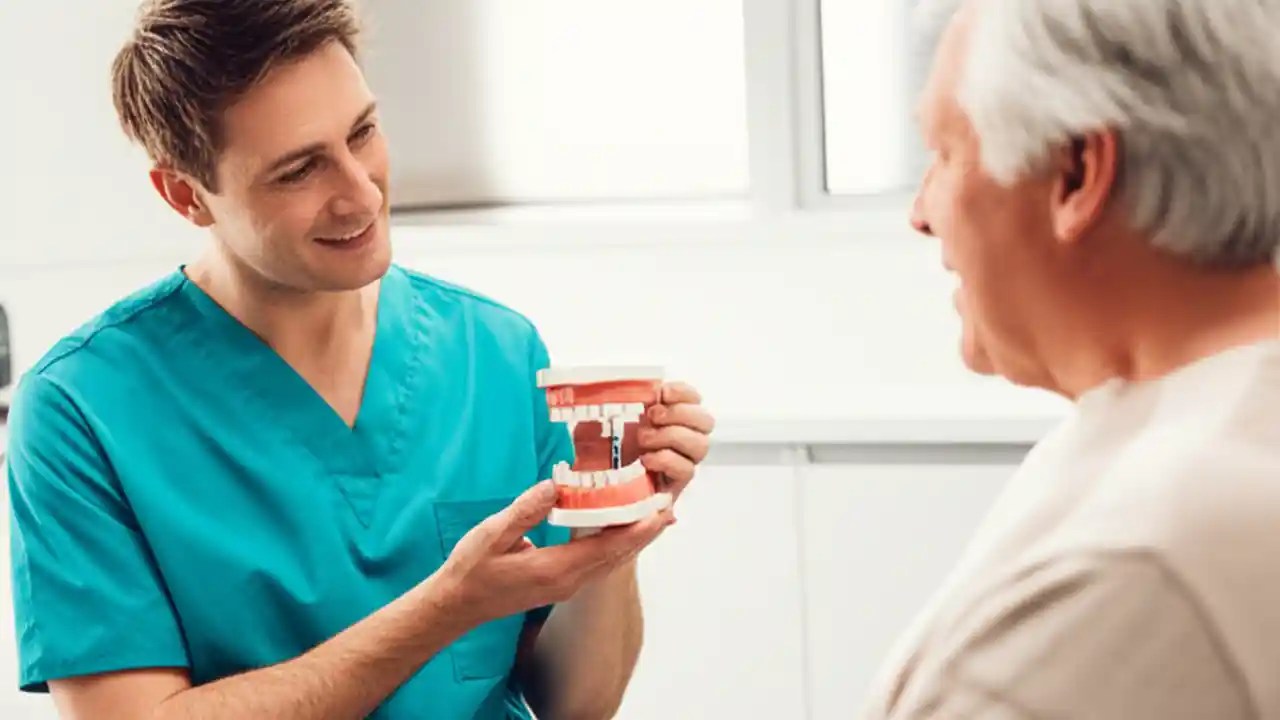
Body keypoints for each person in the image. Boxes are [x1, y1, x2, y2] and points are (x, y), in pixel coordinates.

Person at [4, 1, 714, 718]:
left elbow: (575, 707)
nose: (360, 192)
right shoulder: (83, 409)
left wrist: (608, 545)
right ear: (187, 195)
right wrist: (444, 608)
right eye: (298, 170)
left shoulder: (495, 352)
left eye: (363, 133)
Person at [859, 0, 1280, 717]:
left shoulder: (1138, 569)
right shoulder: (1173, 434)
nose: (921, 213)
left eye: (947, 154)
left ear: (1077, 173)